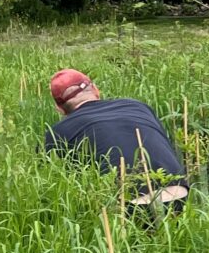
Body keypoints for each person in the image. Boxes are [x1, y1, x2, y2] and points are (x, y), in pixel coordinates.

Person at [42, 69, 188, 210]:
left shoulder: (58, 132)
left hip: (130, 207)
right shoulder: (139, 106)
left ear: (59, 109)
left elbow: (60, 181)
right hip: (181, 196)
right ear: (95, 89)